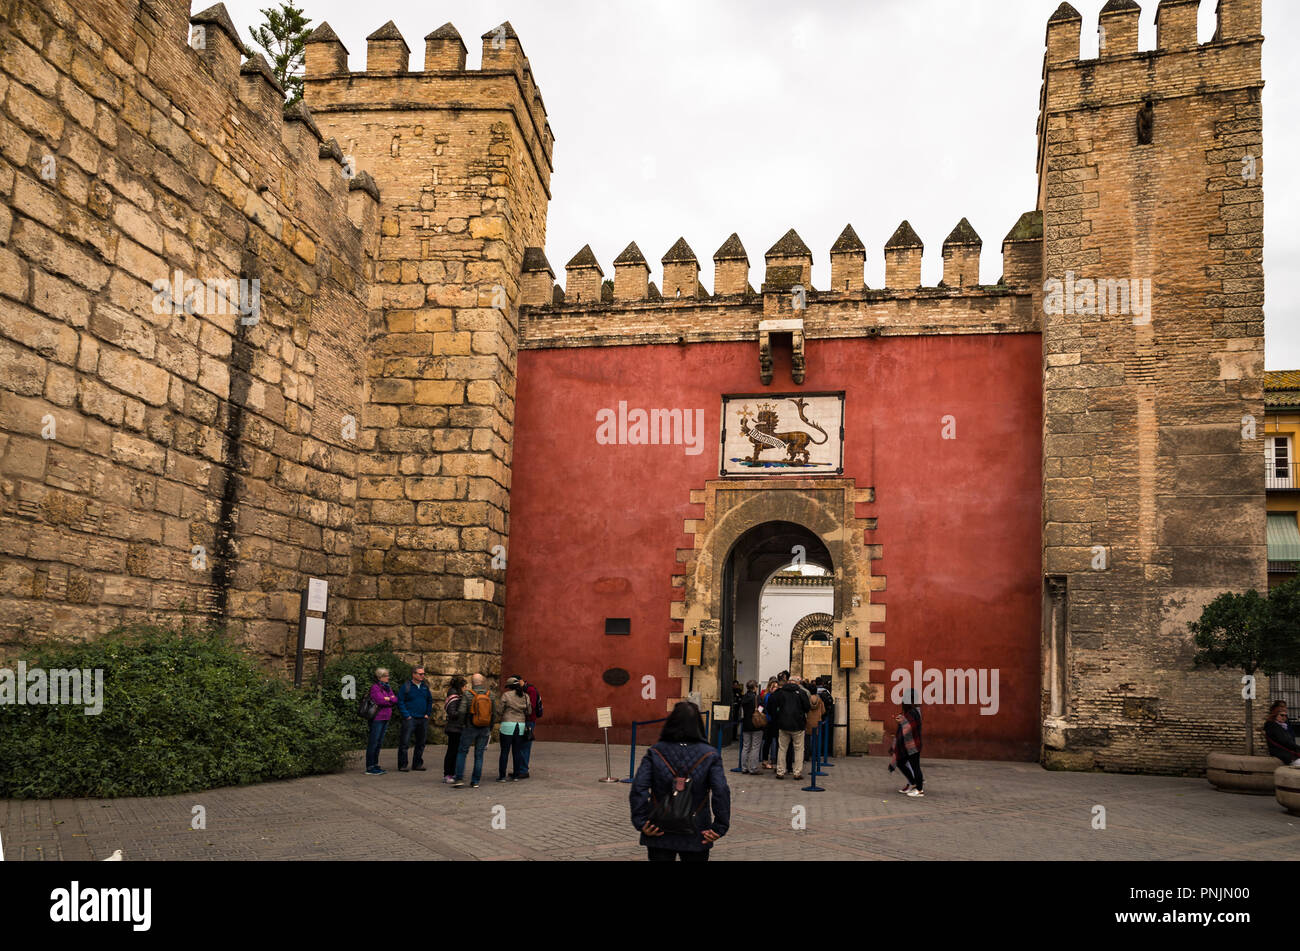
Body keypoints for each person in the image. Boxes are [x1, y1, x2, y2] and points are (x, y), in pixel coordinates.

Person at [629, 702, 731, 861]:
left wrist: (641, 822)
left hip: (659, 826)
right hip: (697, 828)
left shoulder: (656, 752)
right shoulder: (710, 754)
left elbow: (638, 788)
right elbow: (721, 791)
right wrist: (719, 827)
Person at [452, 673, 494, 788]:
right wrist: (490, 727)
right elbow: (493, 713)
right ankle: (475, 781)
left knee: (462, 752)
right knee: (479, 754)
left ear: (472, 682)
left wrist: (462, 724)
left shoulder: (467, 694)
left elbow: (461, 711)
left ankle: (459, 779)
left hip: (470, 727)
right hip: (484, 727)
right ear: (483, 681)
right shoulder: (490, 695)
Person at [767, 672, 810, 780]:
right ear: (797, 682)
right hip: (798, 725)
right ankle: (797, 772)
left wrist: (778, 716)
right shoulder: (801, 692)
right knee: (799, 749)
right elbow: (807, 707)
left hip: (783, 724)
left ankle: (780, 771)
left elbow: (772, 705)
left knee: (782, 749)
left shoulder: (781, 692)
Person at [395, 666, 433, 772]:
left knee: (421, 743)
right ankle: (403, 765)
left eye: (423, 674)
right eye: (420, 674)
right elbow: (400, 701)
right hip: (410, 719)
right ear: (414, 674)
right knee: (405, 742)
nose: (422, 676)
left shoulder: (425, 687)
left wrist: (427, 714)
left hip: (422, 719)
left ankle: (417, 764)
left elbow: (429, 700)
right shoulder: (406, 686)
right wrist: (406, 715)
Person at [496, 676, 533, 782]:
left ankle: (502, 776)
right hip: (520, 725)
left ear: (509, 687)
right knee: (517, 751)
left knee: (504, 751)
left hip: (508, 724)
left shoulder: (506, 695)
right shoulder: (526, 696)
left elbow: (499, 710)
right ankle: (516, 775)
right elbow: (529, 711)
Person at [364, 668, 398, 775]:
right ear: (380, 677)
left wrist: (388, 699)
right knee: (373, 742)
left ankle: (375, 764)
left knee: (379, 743)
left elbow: (395, 700)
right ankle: (370, 767)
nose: (388, 677)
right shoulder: (375, 687)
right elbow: (380, 701)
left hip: (386, 717)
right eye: (386, 675)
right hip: (377, 718)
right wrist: (389, 699)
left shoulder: (388, 688)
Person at [890, 693, 924, 797]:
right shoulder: (912, 712)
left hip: (913, 744)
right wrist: (902, 719)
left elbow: (909, 727)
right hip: (909, 745)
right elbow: (907, 723)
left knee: (915, 766)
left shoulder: (913, 712)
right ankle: (913, 783)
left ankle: (919, 789)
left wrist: (902, 721)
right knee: (900, 762)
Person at [442, 676, 467, 783]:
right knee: (452, 751)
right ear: (460, 686)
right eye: (465, 686)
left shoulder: (457, 695)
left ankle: (454, 772)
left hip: (457, 727)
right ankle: (448, 774)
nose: (466, 688)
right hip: (454, 728)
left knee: (456, 751)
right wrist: (463, 712)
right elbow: (452, 712)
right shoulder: (453, 695)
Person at [516, 674, 541, 779]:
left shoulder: (530, 690)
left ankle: (524, 770)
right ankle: (519, 769)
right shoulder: (523, 690)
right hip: (523, 721)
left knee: (525, 746)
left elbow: (532, 707)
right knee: (520, 745)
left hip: (529, 721)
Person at [1265, 700, 1300, 765]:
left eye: (1285, 716)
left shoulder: (1283, 725)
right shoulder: (1272, 725)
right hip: (1282, 753)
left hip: (1289, 751)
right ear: (1275, 715)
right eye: (1282, 715)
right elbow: (1284, 741)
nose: (1284, 717)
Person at [739, 680, 762, 773]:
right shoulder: (756, 697)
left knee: (746, 746)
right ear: (755, 687)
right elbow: (761, 709)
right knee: (755, 747)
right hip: (756, 724)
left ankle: (744, 767)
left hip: (746, 724)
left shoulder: (744, 697)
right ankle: (753, 768)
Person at [760, 677, 780, 769]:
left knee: (773, 742)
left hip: (773, 721)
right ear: (770, 687)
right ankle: (766, 760)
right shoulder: (767, 696)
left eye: (777, 686)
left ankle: (772, 760)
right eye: (774, 686)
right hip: (769, 721)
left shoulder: (771, 695)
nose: (775, 688)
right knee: (768, 741)